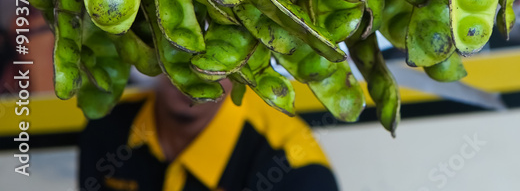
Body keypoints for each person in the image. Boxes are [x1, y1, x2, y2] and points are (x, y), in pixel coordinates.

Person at [79, 75, 340, 191]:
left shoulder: (298, 170)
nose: (194, 75)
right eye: (176, 50)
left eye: (215, 56)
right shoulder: (105, 130)